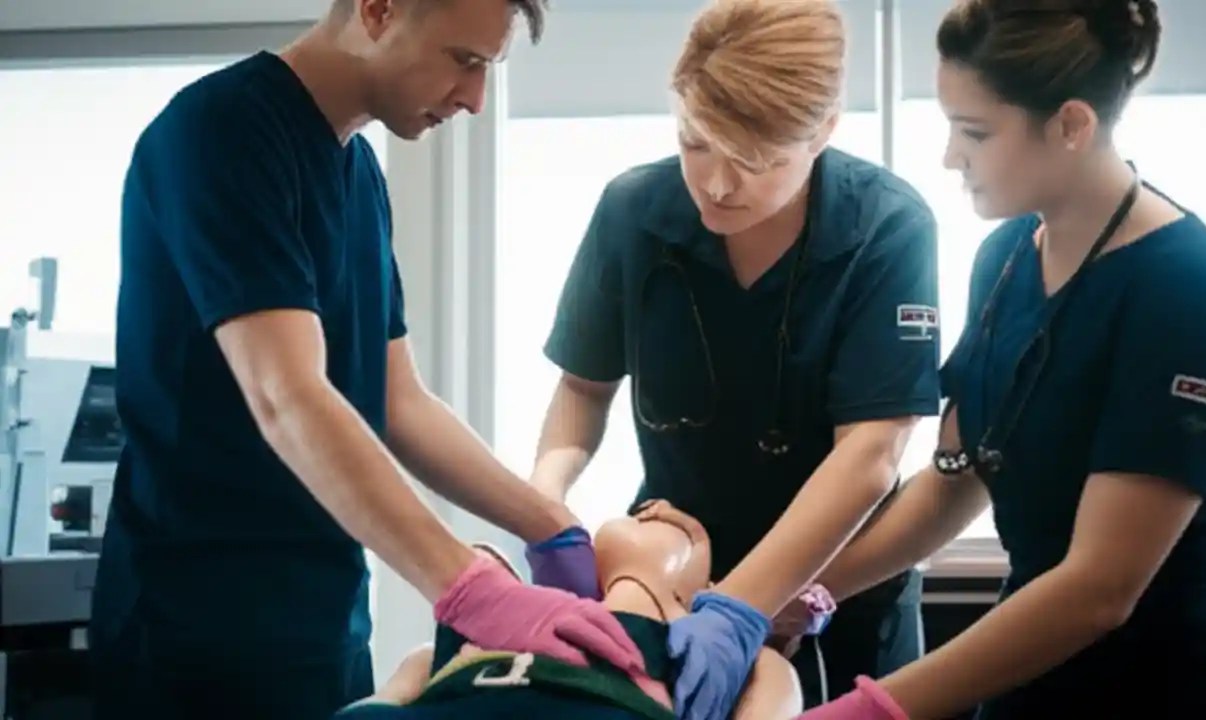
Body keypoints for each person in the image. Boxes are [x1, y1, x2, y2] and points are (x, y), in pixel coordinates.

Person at [90, 1, 646, 718]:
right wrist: (471, 588)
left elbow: (398, 400)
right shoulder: (221, 131)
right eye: (465, 61)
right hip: (196, 627)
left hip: (323, 620)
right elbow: (286, 394)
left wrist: (546, 522)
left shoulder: (358, 175)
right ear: (379, 9)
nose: (475, 100)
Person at [796, 1, 1206, 718]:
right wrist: (800, 590)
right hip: (1028, 687)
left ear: (1072, 125)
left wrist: (873, 708)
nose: (950, 156)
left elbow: (1098, 589)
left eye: (975, 132)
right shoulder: (1007, 256)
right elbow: (957, 479)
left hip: (1166, 689)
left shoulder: (1187, 290)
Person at [529, 0, 941, 716]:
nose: (718, 183)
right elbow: (581, 390)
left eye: (755, 160)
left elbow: (873, 453)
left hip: (837, 588)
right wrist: (545, 506)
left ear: (824, 132)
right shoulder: (632, 211)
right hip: (674, 570)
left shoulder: (887, 227)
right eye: (696, 143)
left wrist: (753, 604)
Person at [337, 501, 805, 720]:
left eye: (681, 524)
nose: (652, 508)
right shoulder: (460, 640)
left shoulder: (718, 652)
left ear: (698, 595)